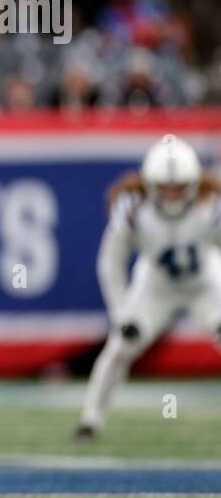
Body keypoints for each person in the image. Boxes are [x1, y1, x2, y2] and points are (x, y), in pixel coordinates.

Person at [76, 136, 221, 438]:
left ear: (193, 183)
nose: (171, 194)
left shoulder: (212, 206)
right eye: (164, 187)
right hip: (156, 285)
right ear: (149, 184)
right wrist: (121, 313)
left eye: (178, 187)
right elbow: (109, 264)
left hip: (204, 281)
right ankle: (90, 420)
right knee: (120, 346)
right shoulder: (132, 210)